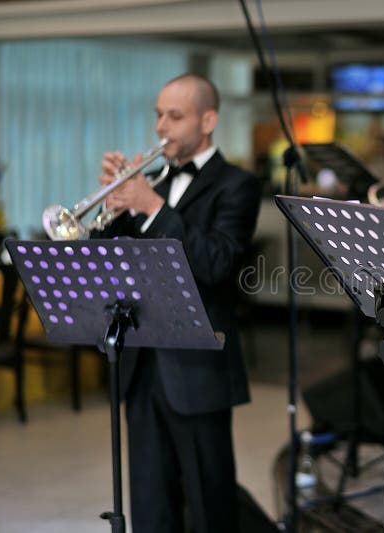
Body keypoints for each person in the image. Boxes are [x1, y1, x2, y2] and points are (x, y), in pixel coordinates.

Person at [94, 73, 262, 533]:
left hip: (199, 366)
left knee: (210, 504)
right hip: (143, 364)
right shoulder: (151, 182)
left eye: (175, 116)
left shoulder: (237, 184)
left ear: (208, 120)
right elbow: (111, 259)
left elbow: (219, 263)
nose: (161, 127)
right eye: (158, 115)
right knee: (150, 503)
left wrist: (152, 208)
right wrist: (112, 209)